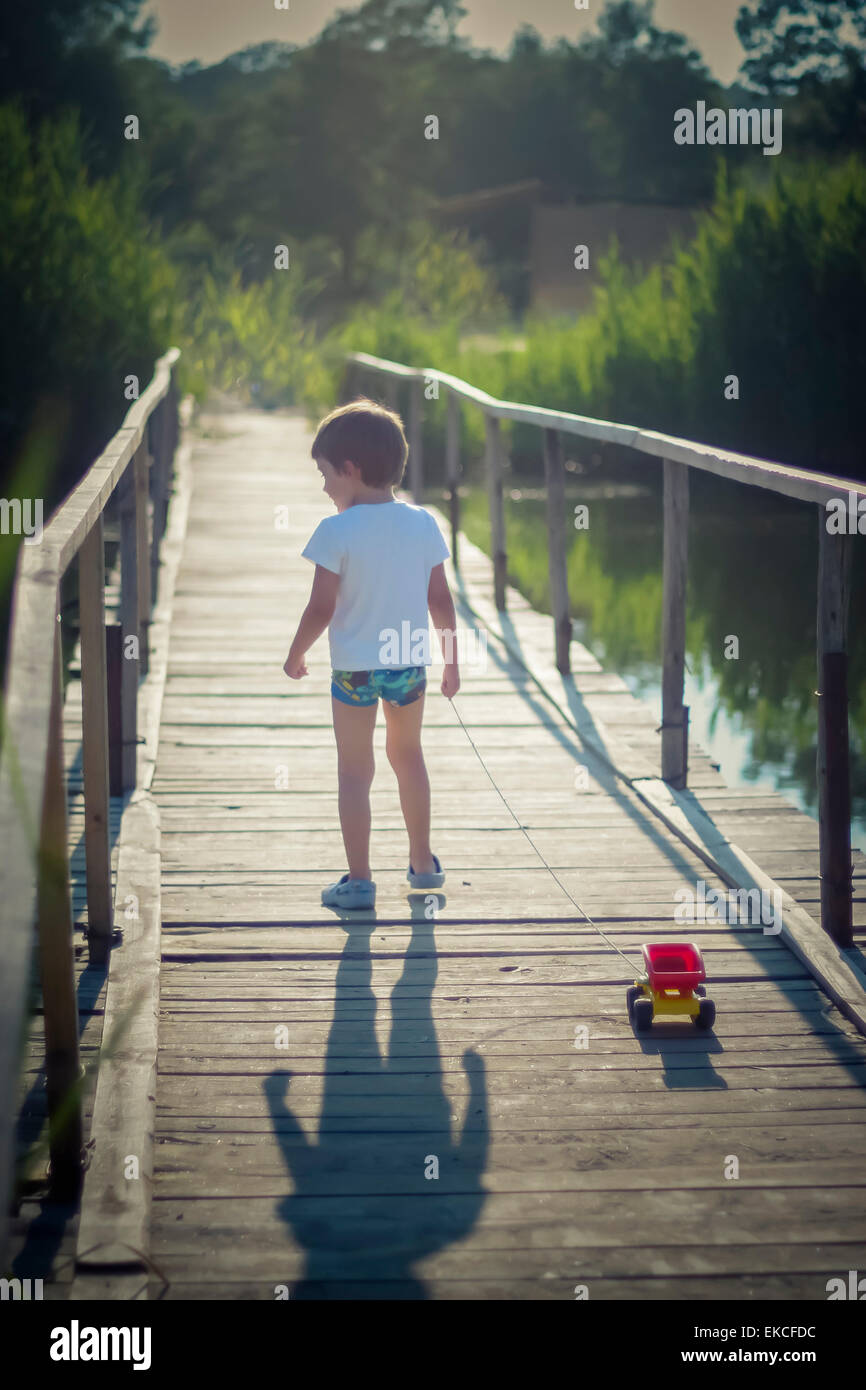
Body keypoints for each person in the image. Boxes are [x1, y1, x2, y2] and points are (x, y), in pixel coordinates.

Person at [284, 398, 460, 909]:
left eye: (324, 474)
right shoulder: (423, 524)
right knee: (409, 757)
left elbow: (320, 609)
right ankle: (423, 865)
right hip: (408, 665)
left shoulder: (334, 531)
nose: (323, 487)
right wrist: (451, 662)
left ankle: (359, 881)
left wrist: (295, 654)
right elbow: (440, 601)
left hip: (354, 671)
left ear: (350, 469)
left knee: (355, 771)